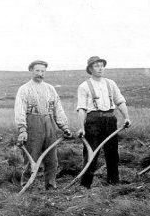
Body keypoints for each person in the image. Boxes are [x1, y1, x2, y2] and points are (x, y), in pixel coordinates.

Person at [14, 60, 72, 190]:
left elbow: (58, 108)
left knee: (52, 158)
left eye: (42, 71)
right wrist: (22, 129)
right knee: (31, 157)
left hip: (49, 123)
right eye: (37, 70)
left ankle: (51, 186)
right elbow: (20, 110)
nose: (40, 73)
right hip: (33, 123)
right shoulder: (24, 89)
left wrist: (64, 127)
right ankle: (27, 187)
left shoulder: (50, 89)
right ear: (31, 71)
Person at [75, 56, 131, 188]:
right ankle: (85, 185)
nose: (100, 68)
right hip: (93, 121)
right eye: (96, 66)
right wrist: (81, 127)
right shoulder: (84, 86)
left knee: (112, 153)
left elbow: (120, 101)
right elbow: (82, 108)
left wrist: (127, 117)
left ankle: (114, 183)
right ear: (90, 69)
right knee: (91, 153)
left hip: (110, 120)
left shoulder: (110, 83)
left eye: (101, 65)